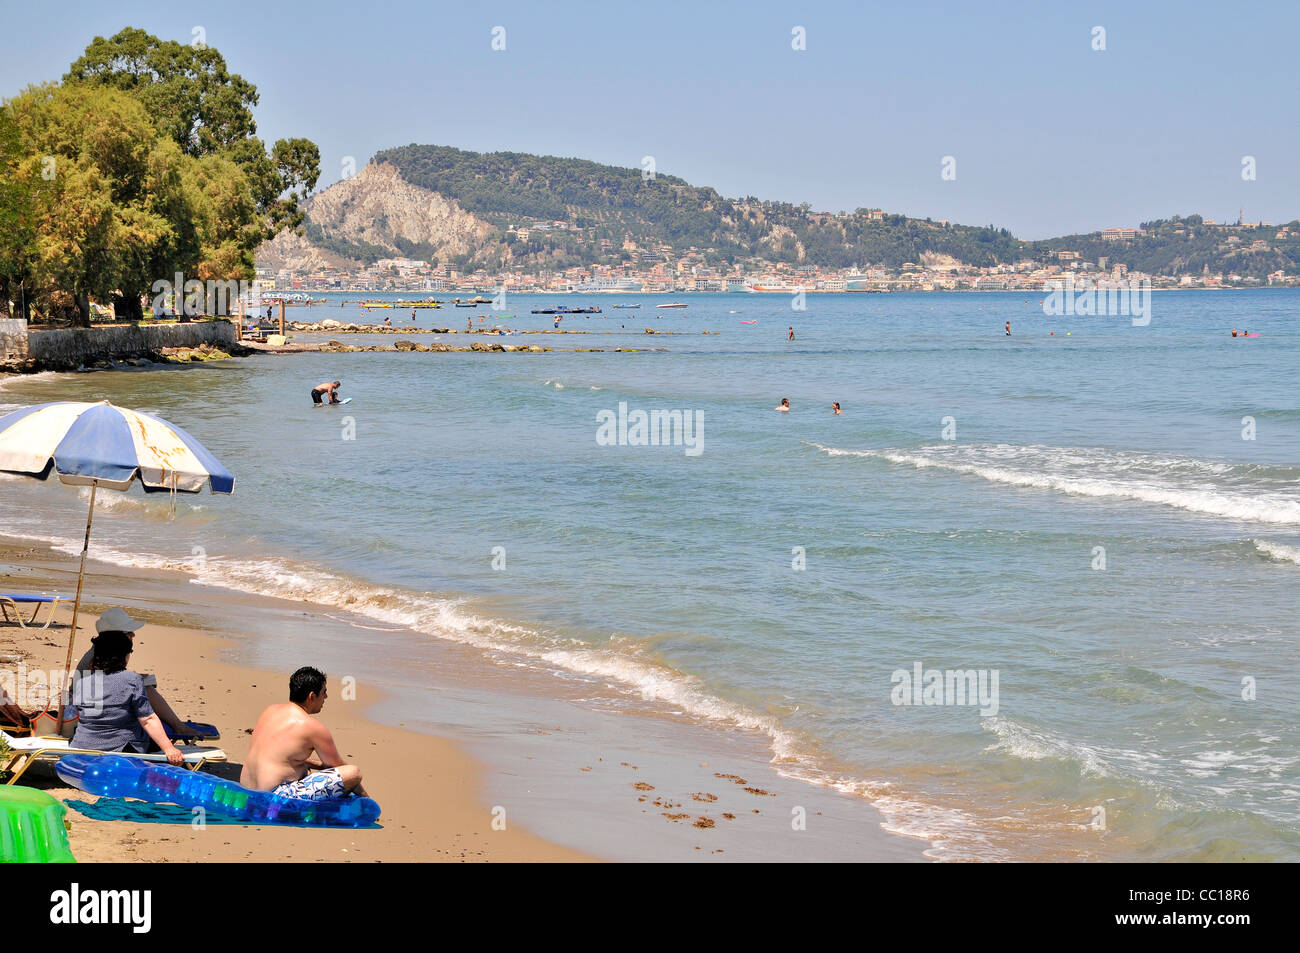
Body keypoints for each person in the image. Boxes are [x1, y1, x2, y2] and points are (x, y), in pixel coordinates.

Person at [71, 608, 205, 741]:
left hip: (90, 700)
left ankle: (175, 724)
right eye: (129, 632)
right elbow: (105, 683)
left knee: (141, 683)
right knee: (144, 686)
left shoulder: (101, 651)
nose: (133, 635)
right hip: (88, 707)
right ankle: (178, 726)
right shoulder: (100, 656)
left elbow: (107, 678)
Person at [240, 667, 365, 801]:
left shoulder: (270, 710)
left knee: (304, 768)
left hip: (246, 789)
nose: (326, 697)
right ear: (312, 696)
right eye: (324, 692)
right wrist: (366, 799)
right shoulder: (312, 727)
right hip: (274, 796)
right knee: (353, 772)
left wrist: (315, 765)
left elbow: (280, 755)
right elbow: (338, 767)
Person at [69, 631, 185, 765]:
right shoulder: (132, 680)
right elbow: (147, 719)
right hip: (121, 747)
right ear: (124, 656)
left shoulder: (83, 683)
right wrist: (169, 748)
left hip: (83, 746)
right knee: (156, 730)